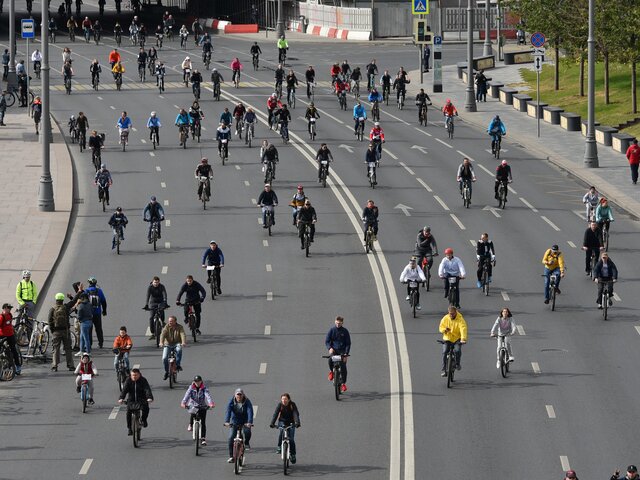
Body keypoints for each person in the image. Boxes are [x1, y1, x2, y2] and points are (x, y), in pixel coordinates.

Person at [181, 375, 215, 446]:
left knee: (203, 422)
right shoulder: (191, 388)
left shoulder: (204, 388)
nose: (197, 383)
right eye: (196, 381)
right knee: (192, 411)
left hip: (202, 406)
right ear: (194, 382)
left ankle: (203, 439)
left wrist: (211, 403)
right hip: (193, 405)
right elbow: (187, 395)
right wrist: (183, 403)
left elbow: (208, 396)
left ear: (201, 381)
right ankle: (191, 424)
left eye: (199, 381)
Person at [118, 368, 154, 434]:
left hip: (141, 399)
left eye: (136, 375)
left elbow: (147, 389)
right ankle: (129, 428)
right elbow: (124, 390)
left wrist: (149, 398)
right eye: (133, 375)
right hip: (131, 399)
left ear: (139, 375)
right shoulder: (128, 380)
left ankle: (144, 420)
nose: (134, 377)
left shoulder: (143, 380)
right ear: (130, 375)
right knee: (128, 413)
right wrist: (121, 398)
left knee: (146, 408)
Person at [224, 388, 254, 462]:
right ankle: (231, 457)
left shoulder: (247, 401)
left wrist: (249, 422)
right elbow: (228, 411)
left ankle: (246, 442)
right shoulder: (231, 401)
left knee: (247, 431)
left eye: (240, 395)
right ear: (235, 395)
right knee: (231, 437)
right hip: (235, 421)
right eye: (238, 395)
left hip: (245, 420)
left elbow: (250, 411)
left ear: (243, 395)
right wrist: (227, 421)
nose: (239, 397)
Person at [270, 393, 301, 463]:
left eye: (285, 399)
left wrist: (297, 423)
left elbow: (295, 414)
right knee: (281, 432)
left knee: (291, 439)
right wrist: (272, 423)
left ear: (289, 399)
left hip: (291, 423)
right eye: (282, 399)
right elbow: (275, 414)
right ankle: (279, 446)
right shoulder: (280, 405)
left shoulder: (292, 405)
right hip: (282, 421)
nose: (284, 400)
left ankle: (293, 454)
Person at [438, 306, 467, 375]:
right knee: (445, 352)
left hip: (457, 339)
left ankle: (457, 364)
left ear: (456, 312)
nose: (451, 315)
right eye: (450, 313)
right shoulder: (445, 318)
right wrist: (444, 330)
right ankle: (444, 369)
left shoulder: (460, 319)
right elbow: (441, 327)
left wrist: (463, 339)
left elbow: (463, 329)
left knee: (457, 351)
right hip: (447, 338)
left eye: (452, 314)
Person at [325, 316, 351, 392]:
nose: (338, 324)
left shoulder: (345, 331)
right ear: (335, 321)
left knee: (343, 367)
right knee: (330, 360)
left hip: (342, 351)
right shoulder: (331, 330)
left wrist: (346, 354)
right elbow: (327, 341)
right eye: (336, 323)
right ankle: (331, 372)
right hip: (334, 350)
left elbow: (348, 343)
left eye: (339, 323)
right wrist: (330, 348)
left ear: (342, 323)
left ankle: (343, 383)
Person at [84, 277, 107, 349]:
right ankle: (100, 343)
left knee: (89, 329)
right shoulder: (99, 291)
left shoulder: (86, 291)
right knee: (98, 328)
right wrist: (104, 311)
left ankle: (89, 344)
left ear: (89, 283)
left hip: (89, 314)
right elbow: (104, 302)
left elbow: (83, 302)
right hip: (97, 313)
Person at [0, 303, 22, 375]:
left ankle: (18, 366)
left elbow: (9, 324)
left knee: (14, 351)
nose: (10, 309)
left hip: (10, 335)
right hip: (2, 335)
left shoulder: (10, 315)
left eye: (10, 308)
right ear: (5, 308)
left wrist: (13, 330)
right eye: (9, 308)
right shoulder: (1, 317)